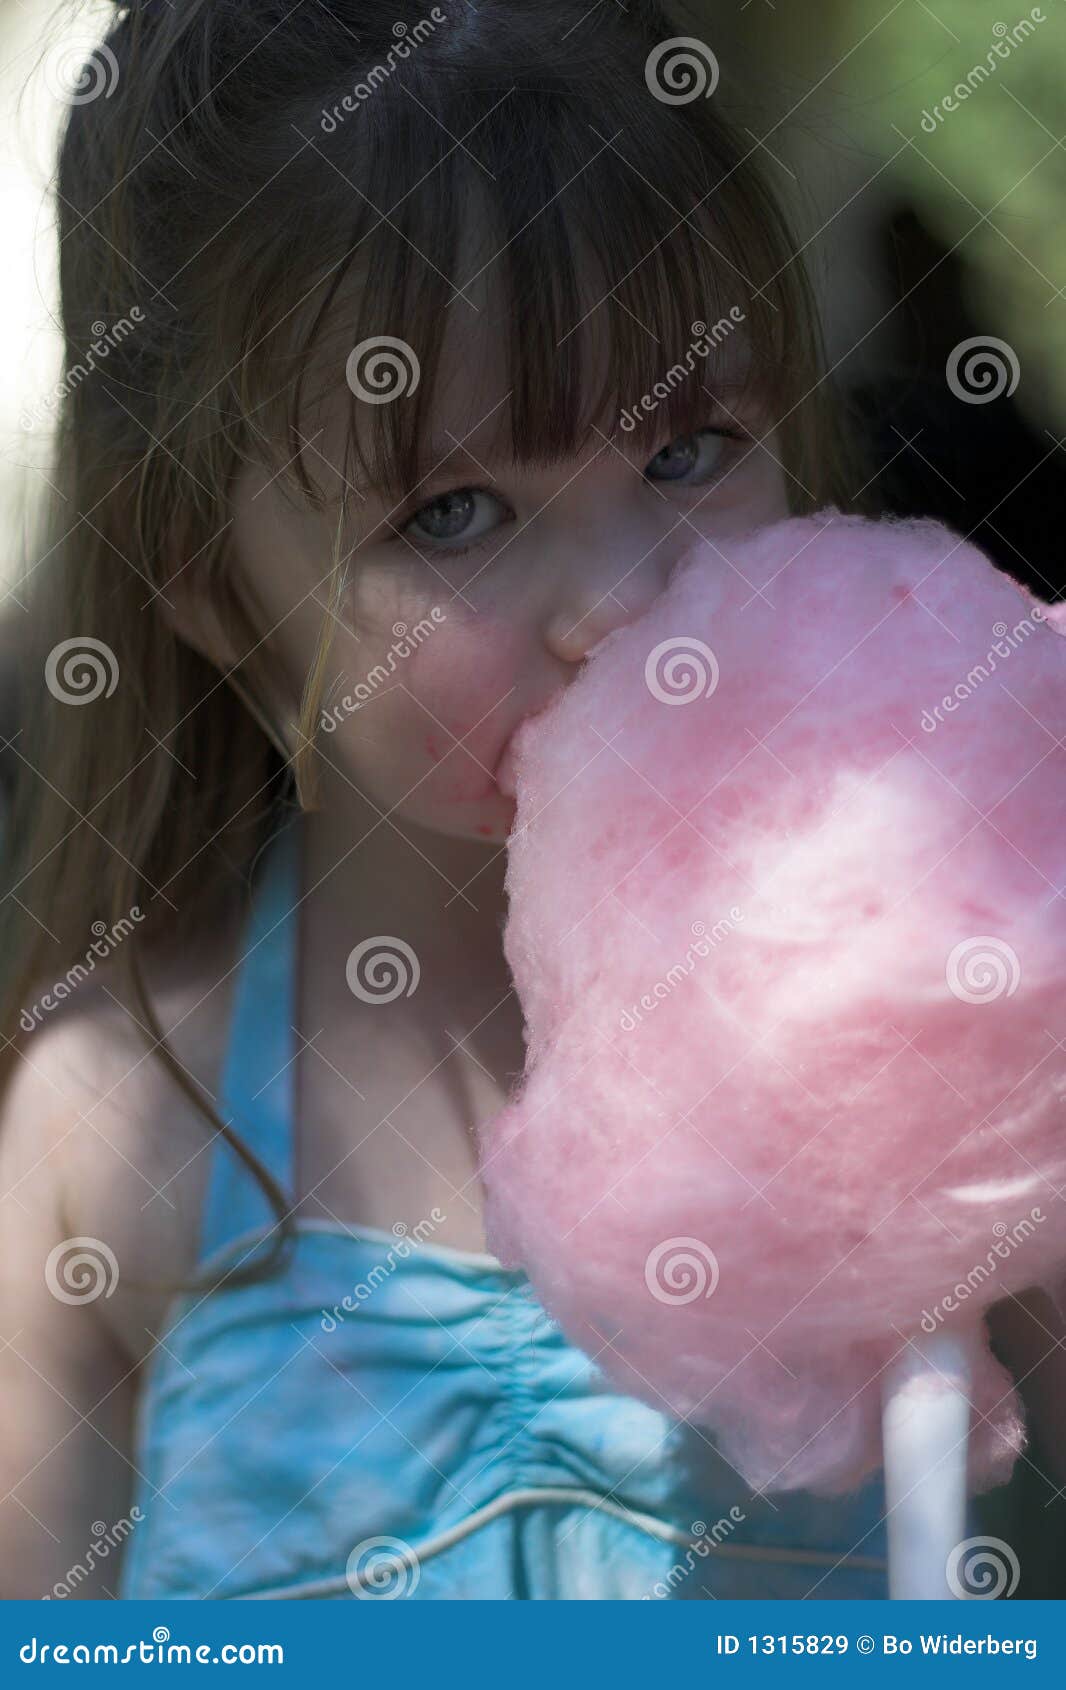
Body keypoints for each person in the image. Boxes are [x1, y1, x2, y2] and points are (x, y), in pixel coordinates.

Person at [0, 0, 1056, 1601]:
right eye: (458, 510)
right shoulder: (113, 1124)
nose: (622, 601)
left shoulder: (953, 1012)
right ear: (211, 587)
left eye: (693, 447)